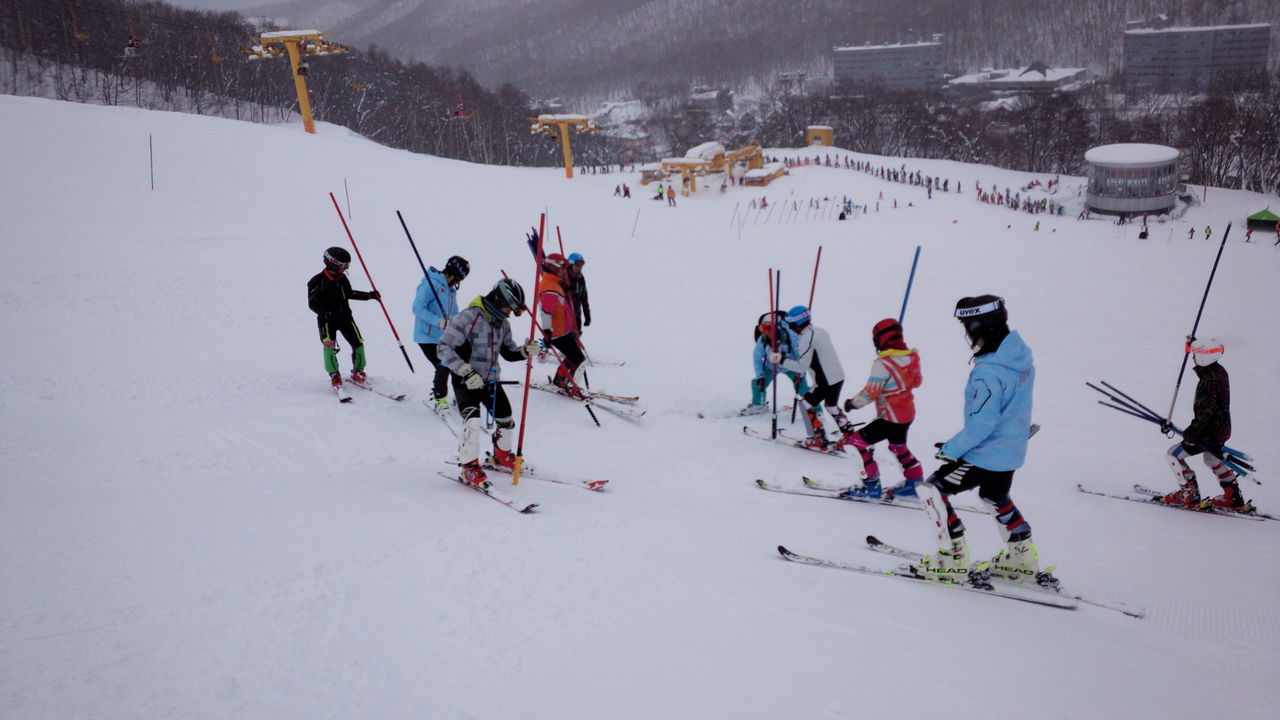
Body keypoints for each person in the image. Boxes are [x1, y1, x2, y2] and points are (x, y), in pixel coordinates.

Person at [913, 296, 1054, 588]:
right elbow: (1014, 410)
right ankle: (1022, 558)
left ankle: (952, 560)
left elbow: (983, 424)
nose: (966, 335)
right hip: (1012, 450)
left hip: (986, 454)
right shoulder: (1020, 359)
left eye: (967, 327)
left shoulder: (988, 372)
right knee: (995, 498)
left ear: (981, 327)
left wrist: (952, 450)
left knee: (933, 491)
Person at [437, 279, 540, 487]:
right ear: (497, 298)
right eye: (507, 308)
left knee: (506, 420)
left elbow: (508, 352)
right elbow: (443, 348)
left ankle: (501, 456)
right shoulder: (468, 318)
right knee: (472, 423)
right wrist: (465, 371)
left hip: (491, 381)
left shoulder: (502, 324)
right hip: (466, 382)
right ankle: (469, 467)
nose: (508, 313)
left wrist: (524, 352)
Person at [838, 319, 924, 499]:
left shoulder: (883, 364)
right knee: (898, 446)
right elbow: (917, 382)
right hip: (907, 414)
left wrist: (852, 403)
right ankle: (915, 484)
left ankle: (871, 486)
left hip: (890, 418)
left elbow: (871, 392)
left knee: (855, 443)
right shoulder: (912, 357)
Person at [1158, 338, 1248, 510]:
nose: (1192, 358)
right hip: (1221, 429)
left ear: (1204, 358)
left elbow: (1207, 411)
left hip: (1207, 432)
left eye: (1196, 355)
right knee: (1211, 457)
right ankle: (1233, 497)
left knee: (1173, 455)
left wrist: (1193, 432)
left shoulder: (1210, 382)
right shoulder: (1217, 371)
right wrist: (1195, 344)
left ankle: (1189, 494)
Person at [771, 305, 855, 450]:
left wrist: (781, 360)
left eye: (791, 325)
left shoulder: (805, 339)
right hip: (838, 376)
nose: (790, 328)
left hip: (825, 381)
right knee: (831, 405)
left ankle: (817, 438)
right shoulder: (820, 331)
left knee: (805, 405)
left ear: (797, 324)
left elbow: (801, 366)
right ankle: (849, 434)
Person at [307, 247, 380, 389]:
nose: (346, 268)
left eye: (347, 265)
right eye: (344, 265)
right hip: (327, 321)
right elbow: (312, 303)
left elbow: (349, 293)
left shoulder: (342, 278)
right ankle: (334, 374)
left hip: (345, 318)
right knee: (329, 346)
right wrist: (325, 313)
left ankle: (358, 371)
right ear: (332, 263)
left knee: (358, 343)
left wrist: (369, 296)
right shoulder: (317, 281)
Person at [413, 255, 469, 412]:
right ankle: (439, 399)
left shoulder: (450, 290)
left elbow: (454, 313)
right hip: (426, 336)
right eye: (458, 279)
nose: (457, 284)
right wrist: (438, 322)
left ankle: (460, 395)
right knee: (443, 363)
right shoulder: (431, 285)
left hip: (443, 336)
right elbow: (417, 308)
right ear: (451, 274)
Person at [537, 253, 586, 397]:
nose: (565, 271)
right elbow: (546, 312)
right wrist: (547, 331)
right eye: (562, 268)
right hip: (557, 332)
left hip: (562, 330)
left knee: (573, 356)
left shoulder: (553, 283)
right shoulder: (549, 287)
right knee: (577, 358)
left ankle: (560, 380)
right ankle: (568, 383)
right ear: (554, 268)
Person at [745, 312, 810, 415]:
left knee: (802, 387)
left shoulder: (790, 335)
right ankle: (758, 406)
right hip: (770, 366)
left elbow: (800, 355)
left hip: (790, 366)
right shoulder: (763, 339)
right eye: (763, 329)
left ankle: (816, 412)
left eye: (767, 328)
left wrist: (800, 374)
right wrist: (759, 376)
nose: (765, 332)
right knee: (757, 384)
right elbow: (757, 358)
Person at [565, 252, 591, 335]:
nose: (579, 267)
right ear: (571, 264)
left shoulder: (581, 278)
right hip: (565, 313)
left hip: (576, 313)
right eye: (577, 265)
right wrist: (566, 289)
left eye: (581, 265)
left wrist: (587, 315)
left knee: (576, 335)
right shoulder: (564, 275)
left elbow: (584, 298)